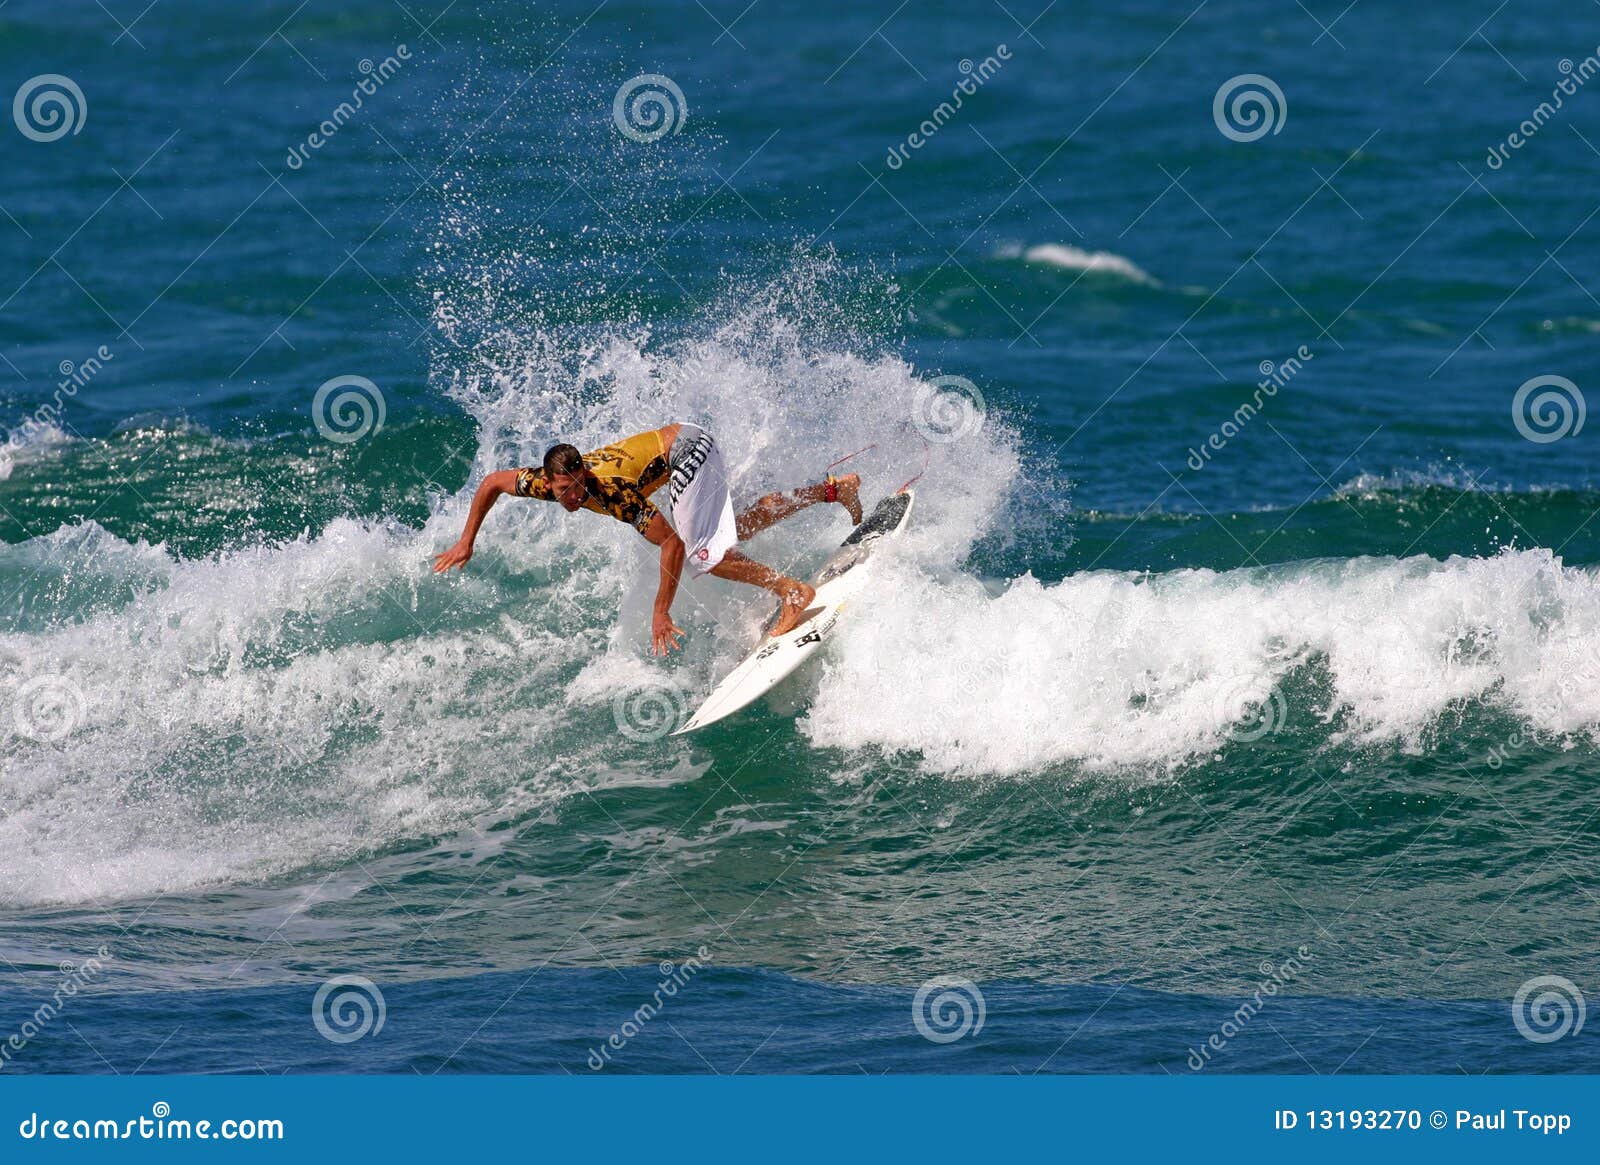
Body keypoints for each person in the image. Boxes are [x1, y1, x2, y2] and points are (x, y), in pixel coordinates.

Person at [432, 423, 862, 655]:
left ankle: (792, 592)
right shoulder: (540, 482)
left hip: (689, 450)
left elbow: (670, 543)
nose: (575, 497)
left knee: (705, 555)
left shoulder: (611, 493)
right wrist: (466, 541)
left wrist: (661, 612)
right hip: (681, 445)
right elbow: (491, 482)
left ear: (584, 474)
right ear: (548, 482)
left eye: (579, 487)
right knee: (735, 529)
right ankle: (832, 490)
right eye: (565, 490)